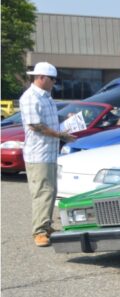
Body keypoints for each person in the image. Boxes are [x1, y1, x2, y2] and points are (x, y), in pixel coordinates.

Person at [19, 62, 76, 247]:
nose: (54, 82)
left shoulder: (47, 97)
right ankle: (39, 232)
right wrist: (60, 135)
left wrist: (67, 123)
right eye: (52, 79)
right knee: (42, 192)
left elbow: (49, 123)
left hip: (49, 153)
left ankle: (46, 225)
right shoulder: (31, 97)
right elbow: (36, 126)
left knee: (50, 191)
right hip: (39, 154)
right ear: (41, 77)